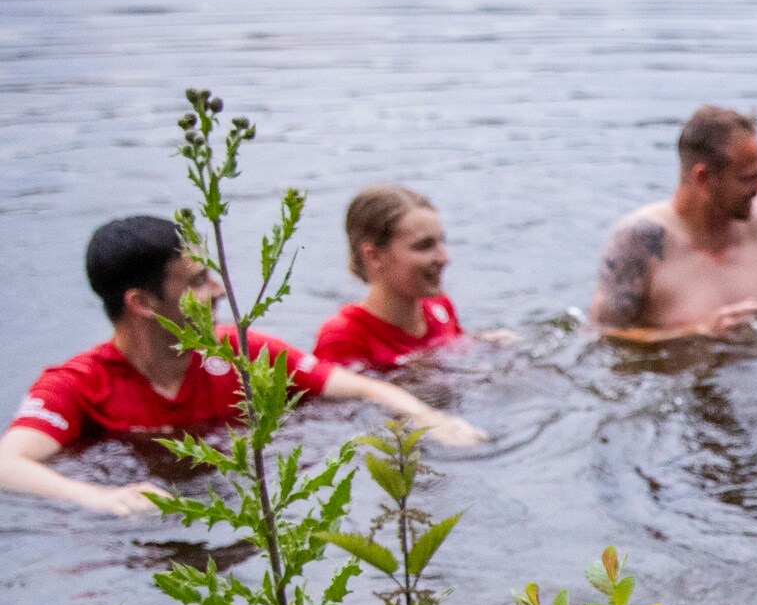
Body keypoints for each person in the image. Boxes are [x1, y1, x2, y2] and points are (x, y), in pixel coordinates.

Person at [0, 217, 487, 517]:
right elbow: (7, 463)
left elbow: (356, 388)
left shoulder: (242, 352)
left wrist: (430, 420)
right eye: (197, 281)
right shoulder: (80, 383)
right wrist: (99, 500)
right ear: (142, 302)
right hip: (141, 536)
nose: (217, 291)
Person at [591, 106, 757, 341]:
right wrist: (694, 333)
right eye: (747, 178)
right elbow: (602, 335)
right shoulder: (641, 240)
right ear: (703, 178)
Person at [315, 185, 471, 371]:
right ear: (373, 256)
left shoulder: (440, 306)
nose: (445, 258)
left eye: (441, 242)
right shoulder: (344, 339)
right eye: (424, 246)